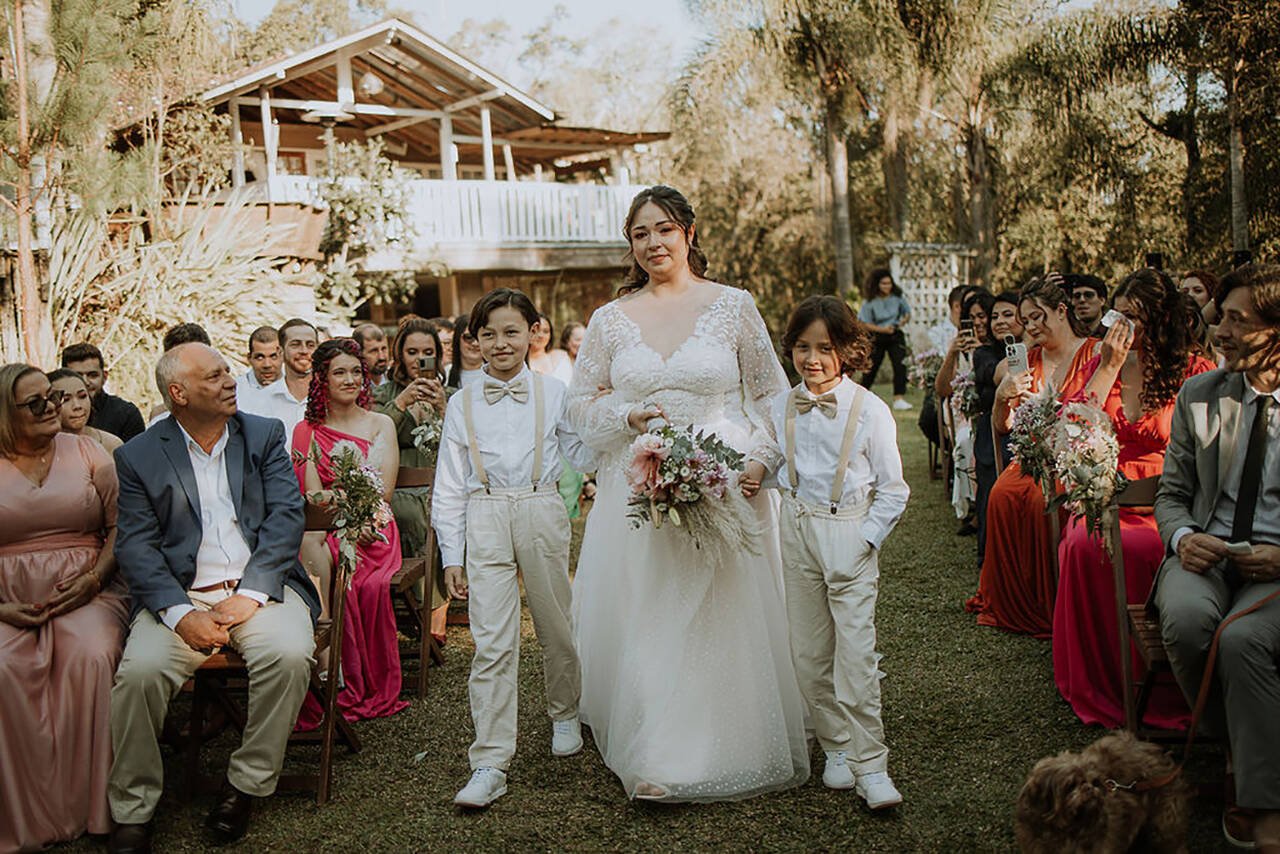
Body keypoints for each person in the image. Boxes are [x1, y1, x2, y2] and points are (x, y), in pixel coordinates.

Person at [568, 185, 809, 801]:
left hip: (725, 479)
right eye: (641, 233)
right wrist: (627, 419)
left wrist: (756, 463)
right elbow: (579, 405)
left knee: (720, 615)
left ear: (689, 234)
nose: (653, 243)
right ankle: (656, 751)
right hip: (638, 486)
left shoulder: (733, 306)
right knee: (649, 610)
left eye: (665, 229)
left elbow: (770, 397)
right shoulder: (609, 320)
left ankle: (733, 738)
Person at [107, 343, 320, 852]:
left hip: (259, 591)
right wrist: (180, 615)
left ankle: (244, 784)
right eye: (215, 376)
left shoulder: (263, 434)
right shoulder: (137, 455)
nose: (230, 381)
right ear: (178, 394)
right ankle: (133, 809)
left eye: (228, 371)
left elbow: (285, 519)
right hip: (182, 597)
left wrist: (251, 595)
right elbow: (135, 545)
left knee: (290, 656)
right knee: (138, 675)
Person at [433, 289, 595, 808]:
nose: (500, 343)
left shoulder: (555, 393)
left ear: (532, 333)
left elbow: (582, 450)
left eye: (510, 332)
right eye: (488, 334)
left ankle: (565, 712)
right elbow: (450, 484)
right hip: (483, 513)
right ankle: (490, 760)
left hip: (540, 507)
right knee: (492, 639)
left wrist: (618, 423)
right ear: (474, 342)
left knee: (554, 622)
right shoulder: (461, 401)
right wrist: (451, 554)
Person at [1052, 269, 1214, 730]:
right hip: (1108, 495)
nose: (1120, 327)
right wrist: (1107, 366)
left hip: (1174, 498)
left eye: (1132, 318)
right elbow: (1075, 427)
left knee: (1153, 548)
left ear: (1161, 321)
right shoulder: (1101, 360)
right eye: (1115, 315)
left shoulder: (1194, 370)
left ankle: (1170, 683)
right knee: (1086, 546)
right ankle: (1107, 680)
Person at [1154, 263, 1280, 851]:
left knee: (1241, 640)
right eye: (1219, 315)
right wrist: (1182, 539)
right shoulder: (1200, 394)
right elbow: (1172, 496)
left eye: (1237, 320)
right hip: (1202, 554)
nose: (1218, 330)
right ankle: (1241, 743)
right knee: (1186, 619)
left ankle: (1257, 798)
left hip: (1274, 571)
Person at [769, 296, 909, 809]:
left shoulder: (870, 410)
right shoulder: (782, 403)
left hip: (849, 531)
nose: (812, 360)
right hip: (797, 528)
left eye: (825, 348)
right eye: (803, 348)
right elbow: (774, 452)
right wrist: (755, 472)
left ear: (847, 350)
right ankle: (836, 745)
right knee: (808, 655)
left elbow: (894, 489)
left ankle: (872, 765)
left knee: (855, 656)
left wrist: (866, 539)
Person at [0, 364, 129, 853]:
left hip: (89, 587)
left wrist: (96, 577)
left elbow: (123, 526)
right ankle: (24, 815)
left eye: (50, 398)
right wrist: (3, 608)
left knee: (91, 654)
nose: (51, 408)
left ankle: (94, 809)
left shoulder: (88, 451)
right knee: (4, 667)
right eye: (35, 403)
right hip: (7, 601)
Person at [965, 275, 1099, 637]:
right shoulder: (1028, 359)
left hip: (1076, 456)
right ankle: (1013, 600)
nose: (1033, 326)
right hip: (1032, 453)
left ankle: (1053, 602)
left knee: (1044, 499)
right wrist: (1003, 396)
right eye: (1028, 320)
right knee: (1002, 495)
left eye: (1039, 316)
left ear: (1061, 310)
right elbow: (1003, 426)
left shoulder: (1095, 352)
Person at [292, 338, 408, 728]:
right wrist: (339, 497)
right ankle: (328, 662)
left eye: (356, 371)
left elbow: (383, 492)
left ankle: (333, 665)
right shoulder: (305, 430)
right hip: (322, 528)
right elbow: (311, 497)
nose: (350, 379)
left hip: (372, 524)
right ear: (321, 378)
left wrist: (340, 499)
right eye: (339, 372)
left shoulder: (381, 424)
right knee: (312, 542)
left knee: (352, 570)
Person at [372, 316, 451, 644]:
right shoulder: (383, 394)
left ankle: (434, 610)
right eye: (412, 352)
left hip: (442, 486)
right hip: (397, 488)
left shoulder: (451, 393)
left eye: (428, 352)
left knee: (442, 515)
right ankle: (419, 609)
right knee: (413, 512)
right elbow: (373, 434)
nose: (420, 360)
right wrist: (402, 402)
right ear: (399, 354)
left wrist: (444, 408)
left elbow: (466, 442)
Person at [971, 291, 1024, 565]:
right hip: (993, 430)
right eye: (995, 316)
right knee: (992, 487)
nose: (999, 321)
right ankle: (989, 556)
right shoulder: (984, 353)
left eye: (1007, 314)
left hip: (1028, 424)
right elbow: (1001, 375)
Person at [934, 287, 990, 531]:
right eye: (972, 317)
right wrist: (952, 353)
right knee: (967, 439)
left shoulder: (995, 346)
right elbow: (942, 389)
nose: (978, 322)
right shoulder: (958, 345)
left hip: (987, 411)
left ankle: (984, 507)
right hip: (962, 414)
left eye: (982, 316)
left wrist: (980, 350)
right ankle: (975, 507)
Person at [240, 318, 317, 441]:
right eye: (295, 344)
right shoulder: (259, 402)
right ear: (280, 351)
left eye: (310, 345)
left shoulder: (332, 399)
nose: (304, 351)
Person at [61, 343, 146, 442]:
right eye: (77, 376)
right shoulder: (54, 414)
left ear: (104, 377)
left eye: (92, 375)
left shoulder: (126, 414)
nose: (85, 382)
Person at [858, 268, 913, 411]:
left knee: (900, 365)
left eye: (889, 283)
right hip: (878, 335)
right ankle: (860, 395)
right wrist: (882, 329)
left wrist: (902, 321)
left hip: (895, 334)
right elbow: (864, 323)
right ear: (877, 284)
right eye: (883, 284)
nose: (887, 287)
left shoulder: (897, 297)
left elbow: (907, 313)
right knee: (871, 366)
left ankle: (899, 398)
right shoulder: (869, 302)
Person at [47, 367, 124, 453]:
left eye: (82, 396)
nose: (77, 406)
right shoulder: (41, 450)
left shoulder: (112, 444)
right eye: (66, 399)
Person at [236, 326, 282, 397]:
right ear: (249, 358)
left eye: (273, 357)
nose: (267, 365)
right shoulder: (235, 391)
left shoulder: (298, 388)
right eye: (260, 357)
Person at [528, 314, 574, 385]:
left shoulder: (560, 357)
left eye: (545, 331)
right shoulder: (519, 363)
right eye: (536, 331)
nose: (541, 335)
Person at [445, 312, 485, 389]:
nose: (475, 343)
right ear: (457, 339)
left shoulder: (496, 374)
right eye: (469, 337)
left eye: (479, 338)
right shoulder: (445, 375)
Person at [352, 322, 391, 387]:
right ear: (359, 354)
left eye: (384, 349)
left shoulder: (395, 381)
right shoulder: (353, 387)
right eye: (374, 351)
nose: (381, 357)